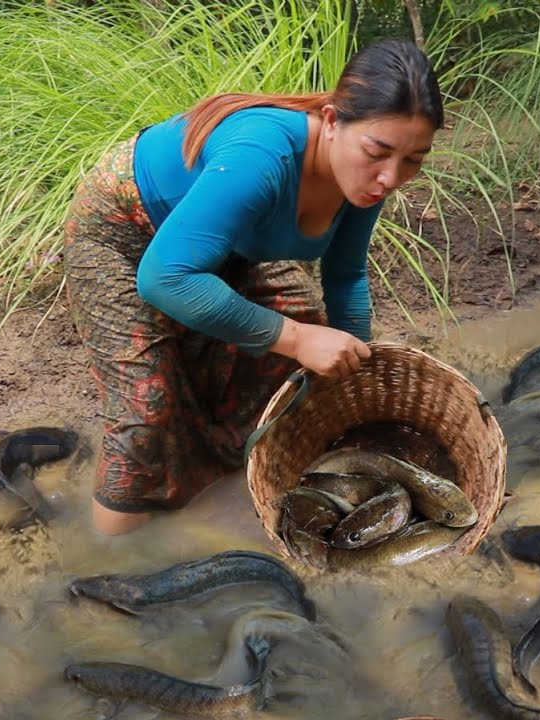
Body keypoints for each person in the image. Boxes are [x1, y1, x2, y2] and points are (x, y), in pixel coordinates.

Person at [63, 39, 444, 535]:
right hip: (125, 232)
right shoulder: (262, 155)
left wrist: (356, 373)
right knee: (148, 408)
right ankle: (108, 558)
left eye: (414, 160)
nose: (391, 177)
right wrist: (299, 339)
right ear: (332, 122)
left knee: (300, 336)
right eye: (378, 152)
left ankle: (221, 494)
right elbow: (165, 277)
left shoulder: (367, 180)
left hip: (223, 244)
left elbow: (346, 274)